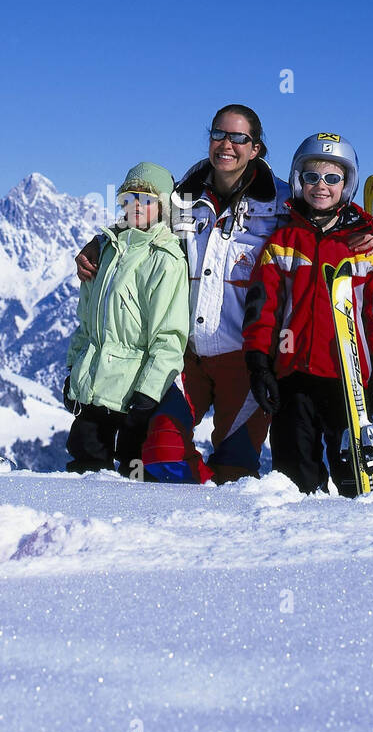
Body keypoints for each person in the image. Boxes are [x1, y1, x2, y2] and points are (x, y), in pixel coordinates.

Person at [76, 104, 290, 483]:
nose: (227, 144)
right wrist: (99, 243)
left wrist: (363, 232)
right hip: (185, 357)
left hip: (245, 363)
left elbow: (324, 221)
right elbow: (139, 219)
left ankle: (215, 528)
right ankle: (186, 519)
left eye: (239, 137)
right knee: (159, 457)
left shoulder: (280, 204)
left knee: (235, 473)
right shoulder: (184, 197)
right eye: (218, 134)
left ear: (256, 148)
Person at [241, 133, 373, 495]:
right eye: (312, 177)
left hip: (348, 380)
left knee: (354, 476)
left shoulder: (361, 245)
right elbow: (262, 305)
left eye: (332, 178)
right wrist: (258, 363)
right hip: (293, 374)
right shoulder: (283, 242)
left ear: (346, 185)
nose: (321, 186)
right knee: (295, 476)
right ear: (299, 179)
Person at [63, 163, 190, 477]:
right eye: (128, 198)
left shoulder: (165, 259)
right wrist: (73, 370)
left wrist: (149, 393)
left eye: (146, 199)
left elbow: (169, 337)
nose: (136, 206)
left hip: (134, 394)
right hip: (93, 390)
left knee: (133, 484)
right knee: (83, 472)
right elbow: (86, 320)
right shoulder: (106, 250)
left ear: (161, 207)